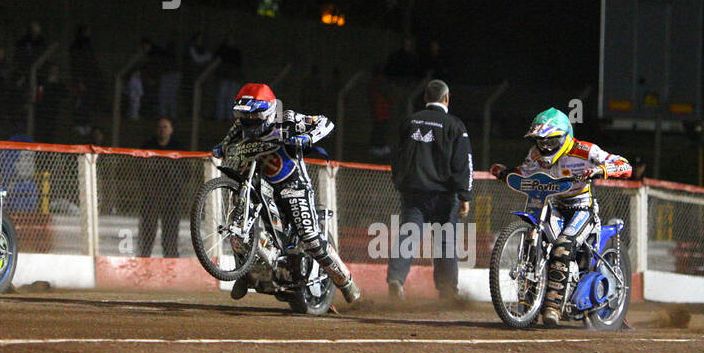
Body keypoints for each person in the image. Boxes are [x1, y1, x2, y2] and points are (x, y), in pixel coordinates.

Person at [212, 83, 361, 303]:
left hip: (292, 185)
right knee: (237, 221)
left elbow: (326, 122)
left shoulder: (288, 119)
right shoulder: (239, 126)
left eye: (253, 116)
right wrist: (221, 147)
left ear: (267, 112)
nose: (248, 122)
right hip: (258, 183)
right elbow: (226, 143)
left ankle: (345, 281)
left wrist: (309, 137)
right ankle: (242, 272)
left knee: (309, 238)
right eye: (244, 116)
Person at [489, 108, 632, 327]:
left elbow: (625, 165)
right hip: (552, 204)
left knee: (563, 246)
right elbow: (526, 172)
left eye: (551, 141)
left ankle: (553, 307)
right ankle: (528, 304)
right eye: (541, 141)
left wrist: (600, 170)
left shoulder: (585, 151)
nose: (545, 147)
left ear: (565, 136)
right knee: (537, 241)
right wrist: (506, 172)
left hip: (581, 208)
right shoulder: (534, 154)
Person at [386, 79, 473, 301]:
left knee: (408, 235)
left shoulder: (409, 122)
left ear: (425, 98)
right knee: (445, 242)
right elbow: (463, 163)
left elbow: (396, 155)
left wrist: (399, 181)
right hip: (444, 196)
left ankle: (396, 278)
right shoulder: (455, 125)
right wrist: (465, 195)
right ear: (446, 98)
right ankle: (446, 290)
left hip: (413, 193)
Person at [137, 117, 186, 258]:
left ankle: (171, 263)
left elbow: (186, 171)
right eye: (160, 127)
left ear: (171, 129)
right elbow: (141, 170)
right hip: (151, 197)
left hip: (172, 198)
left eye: (165, 127)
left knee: (170, 235)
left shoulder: (178, 147)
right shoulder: (148, 146)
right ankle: (143, 261)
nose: (162, 130)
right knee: (147, 233)